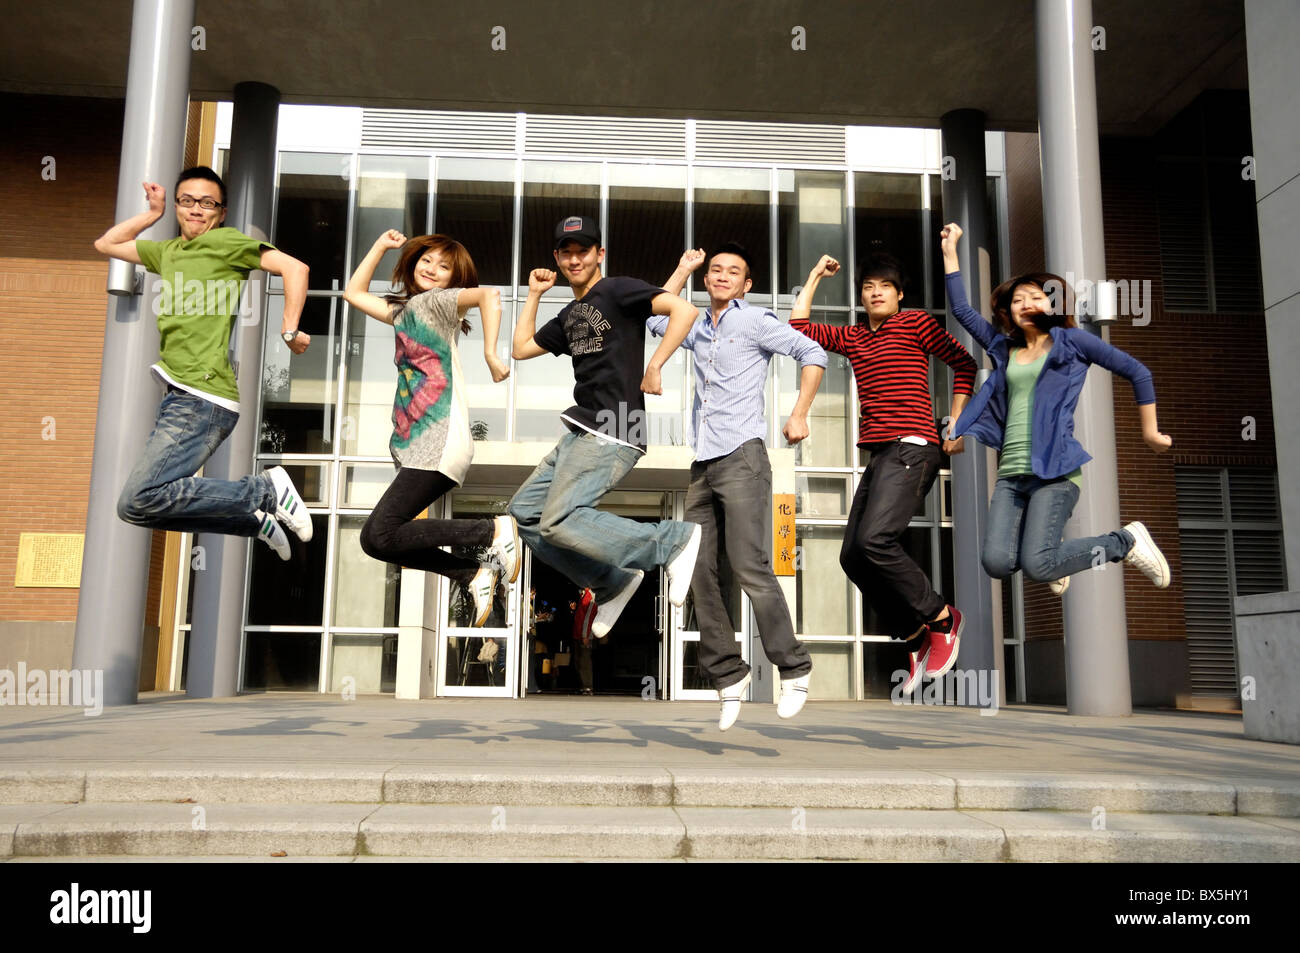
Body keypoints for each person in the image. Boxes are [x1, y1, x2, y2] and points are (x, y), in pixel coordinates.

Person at [939, 222, 1171, 597]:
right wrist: (950, 251)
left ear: (1054, 302)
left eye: (1034, 297)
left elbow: (1137, 371)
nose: (1025, 305)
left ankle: (1125, 541)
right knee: (996, 562)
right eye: (1017, 300)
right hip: (1012, 473)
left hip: (1056, 472)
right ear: (1009, 312)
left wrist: (1150, 432)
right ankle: (1055, 558)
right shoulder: (1004, 349)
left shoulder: (1074, 343)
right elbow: (962, 310)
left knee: (1036, 564)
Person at [95, 167, 314, 558]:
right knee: (137, 507)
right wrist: (153, 213)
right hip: (179, 393)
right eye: (188, 201)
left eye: (207, 203)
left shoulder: (227, 243)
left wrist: (289, 329)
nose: (197, 209)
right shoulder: (166, 252)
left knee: (142, 495)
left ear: (222, 212)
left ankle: (266, 490)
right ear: (178, 206)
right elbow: (108, 244)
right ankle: (251, 520)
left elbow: (295, 268)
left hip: (203, 394)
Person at [790, 252, 977, 694]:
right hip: (881, 454)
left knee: (875, 540)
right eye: (868, 286)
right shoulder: (854, 337)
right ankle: (914, 635)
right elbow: (798, 328)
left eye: (884, 287)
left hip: (914, 445)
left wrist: (956, 422)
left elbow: (965, 364)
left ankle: (943, 617)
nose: (875, 292)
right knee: (853, 555)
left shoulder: (917, 323)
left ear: (899, 295)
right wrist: (815, 274)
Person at [654, 243, 824, 729]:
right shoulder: (696, 325)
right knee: (697, 567)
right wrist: (682, 268)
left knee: (749, 565)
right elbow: (654, 319)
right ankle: (729, 675)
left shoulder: (754, 322)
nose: (722, 276)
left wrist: (798, 413)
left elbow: (811, 353)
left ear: (747, 284)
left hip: (743, 457)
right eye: (714, 270)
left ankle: (793, 667)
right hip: (703, 463)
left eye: (733, 272)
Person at [509, 215, 702, 638]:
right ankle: (612, 582)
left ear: (600, 254)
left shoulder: (616, 289)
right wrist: (535, 295)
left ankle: (671, 540)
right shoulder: (571, 313)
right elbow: (521, 349)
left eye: (583, 251)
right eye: (566, 252)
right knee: (524, 513)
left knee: (559, 519)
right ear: (558, 258)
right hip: (583, 428)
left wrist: (654, 366)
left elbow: (684, 310)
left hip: (616, 425)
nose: (574, 259)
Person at [343, 230, 519, 626]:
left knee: (381, 534)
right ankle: (471, 572)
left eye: (445, 267)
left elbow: (489, 296)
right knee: (378, 541)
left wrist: (492, 353)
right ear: (414, 261)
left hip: (438, 436)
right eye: (428, 260)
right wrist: (380, 246)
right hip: (417, 442)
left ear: (453, 281)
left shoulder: (436, 303)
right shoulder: (406, 310)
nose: (433, 269)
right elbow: (353, 293)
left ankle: (491, 531)